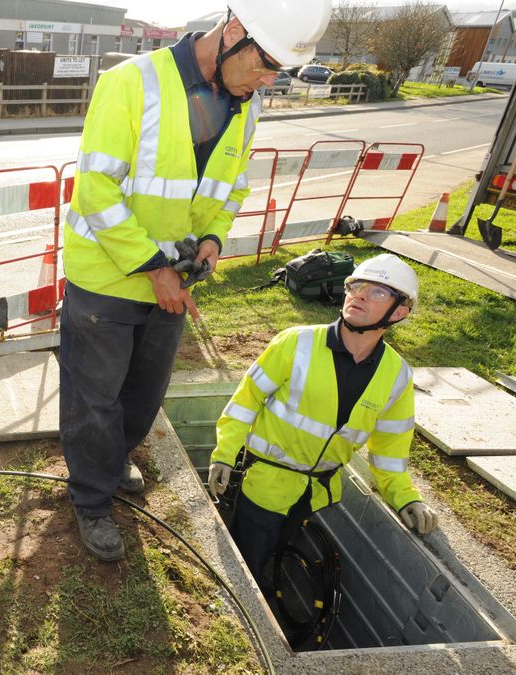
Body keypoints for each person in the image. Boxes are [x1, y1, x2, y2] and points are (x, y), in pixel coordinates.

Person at [60, 0, 333, 561]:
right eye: (265, 63)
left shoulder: (245, 103)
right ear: (232, 31)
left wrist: (212, 238)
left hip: (174, 281)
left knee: (143, 394)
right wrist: (152, 267)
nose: (267, 80)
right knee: (95, 399)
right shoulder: (132, 82)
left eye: (279, 70)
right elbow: (95, 190)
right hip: (108, 280)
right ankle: (91, 499)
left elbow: (231, 188)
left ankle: (115, 459)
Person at [208, 254, 439, 586]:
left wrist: (406, 497)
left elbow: (390, 451)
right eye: (356, 287)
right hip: (263, 486)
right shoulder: (296, 343)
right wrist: (224, 455)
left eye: (376, 292)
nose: (359, 296)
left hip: (314, 494)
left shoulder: (397, 375)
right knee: (247, 564)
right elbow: (245, 402)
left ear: (400, 311)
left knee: (276, 552)